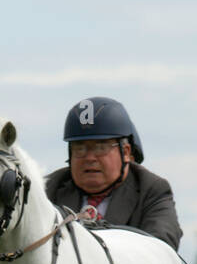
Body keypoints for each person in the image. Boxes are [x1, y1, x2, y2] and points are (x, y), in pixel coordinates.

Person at [44, 97, 182, 249]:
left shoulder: (151, 190)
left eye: (101, 148)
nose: (89, 158)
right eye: (79, 148)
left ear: (126, 152)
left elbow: (160, 249)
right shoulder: (48, 190)